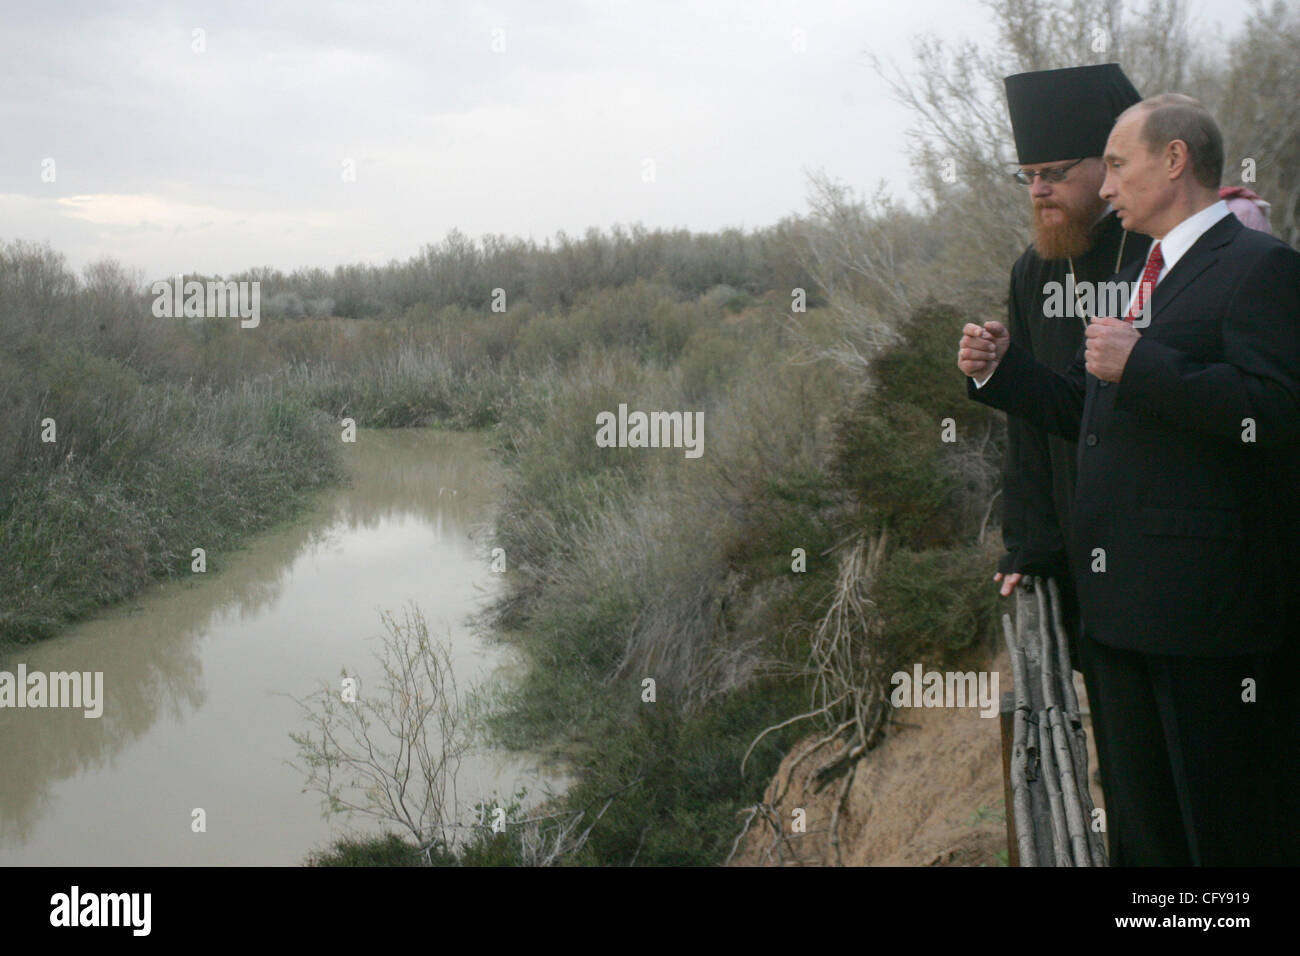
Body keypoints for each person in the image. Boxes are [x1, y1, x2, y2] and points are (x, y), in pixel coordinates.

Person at [958, 93, 1300, 865]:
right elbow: (1103, 414)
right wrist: (1004, 375)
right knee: (1149, 839)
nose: (1105, 188)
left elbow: (1277, 413)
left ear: (1174, 160)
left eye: (1116, 164)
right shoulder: (1158, 267)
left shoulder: (1261, 267)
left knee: (1224, 834)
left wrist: (1144, 365)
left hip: (1205, 619)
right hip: (1123, 614)